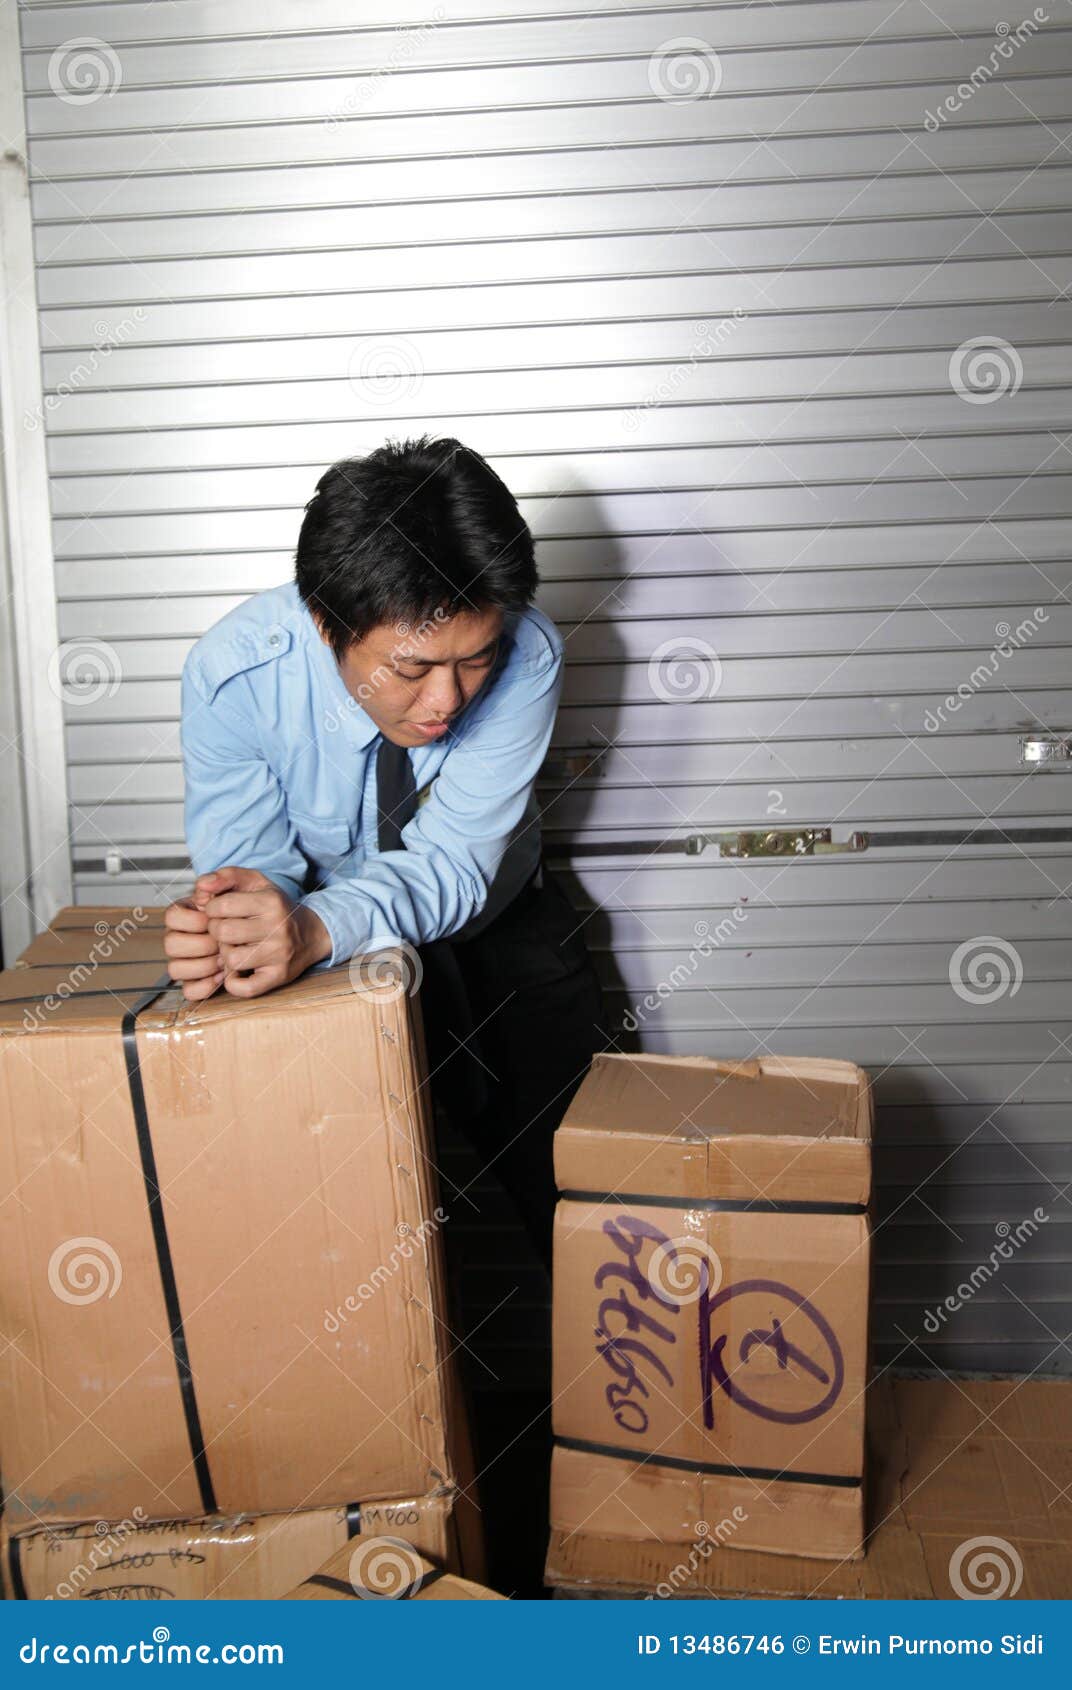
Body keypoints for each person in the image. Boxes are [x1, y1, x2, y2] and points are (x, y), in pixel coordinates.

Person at [163, 435, 607, 1269]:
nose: (446, 701)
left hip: (497, 929)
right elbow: (256, 872)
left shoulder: (529, 654)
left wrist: (311, 927)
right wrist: (233, 924)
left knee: (586, 1210)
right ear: (326, 623)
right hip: (329, 955)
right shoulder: (233, 676)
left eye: (474, 660)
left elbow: (454, 866)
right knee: (352, 1233)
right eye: (411, 668)